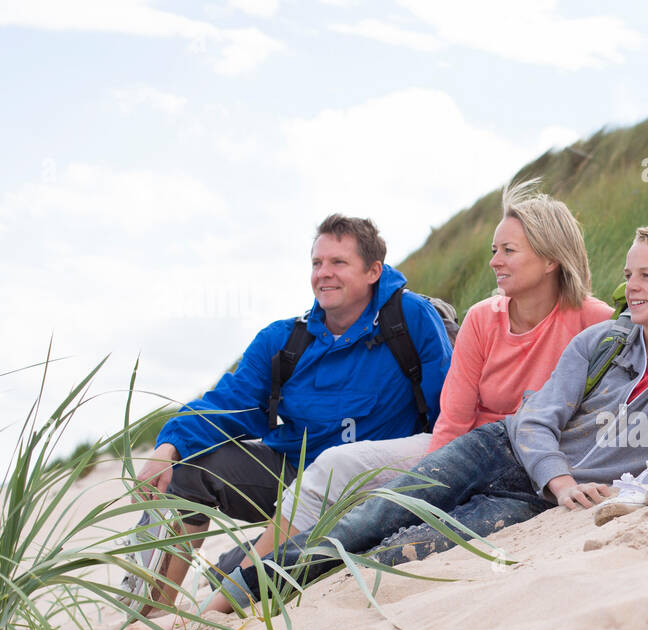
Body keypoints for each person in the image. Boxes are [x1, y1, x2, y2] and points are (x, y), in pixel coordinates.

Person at [212, 222, 648, 612]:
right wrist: (561, 478)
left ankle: (295, 603)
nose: (631, 287)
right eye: (629, 274)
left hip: (530, 497)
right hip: (499, 448)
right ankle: (228, 598)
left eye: (647, 276)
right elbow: (535, 418)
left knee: (408, 549)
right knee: (372, 518)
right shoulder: (604, 340)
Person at [203, 180, 613, 600]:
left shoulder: (597, 322)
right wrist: (441, 478)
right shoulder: (481, 319)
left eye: (509, 250)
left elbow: (604, 413)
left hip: (539, 464)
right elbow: (453, 416)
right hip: (466, 447)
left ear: (549, 259)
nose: (494, 262)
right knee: (334, 468)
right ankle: (239, 584)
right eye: (494, 250)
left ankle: (262, 568)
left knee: (395, 541)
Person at [127, 214, 453, 612]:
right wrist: (169, 446)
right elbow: (228, 403)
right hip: (294, 472)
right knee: (190, 470)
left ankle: (232, 585)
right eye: (317, 263)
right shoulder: (284, 341)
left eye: (338, 263)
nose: (323, 274)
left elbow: (450, 410)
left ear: (373, 271)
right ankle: (151, 616)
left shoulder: (411, 319)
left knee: (244, 560)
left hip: (374, 480)